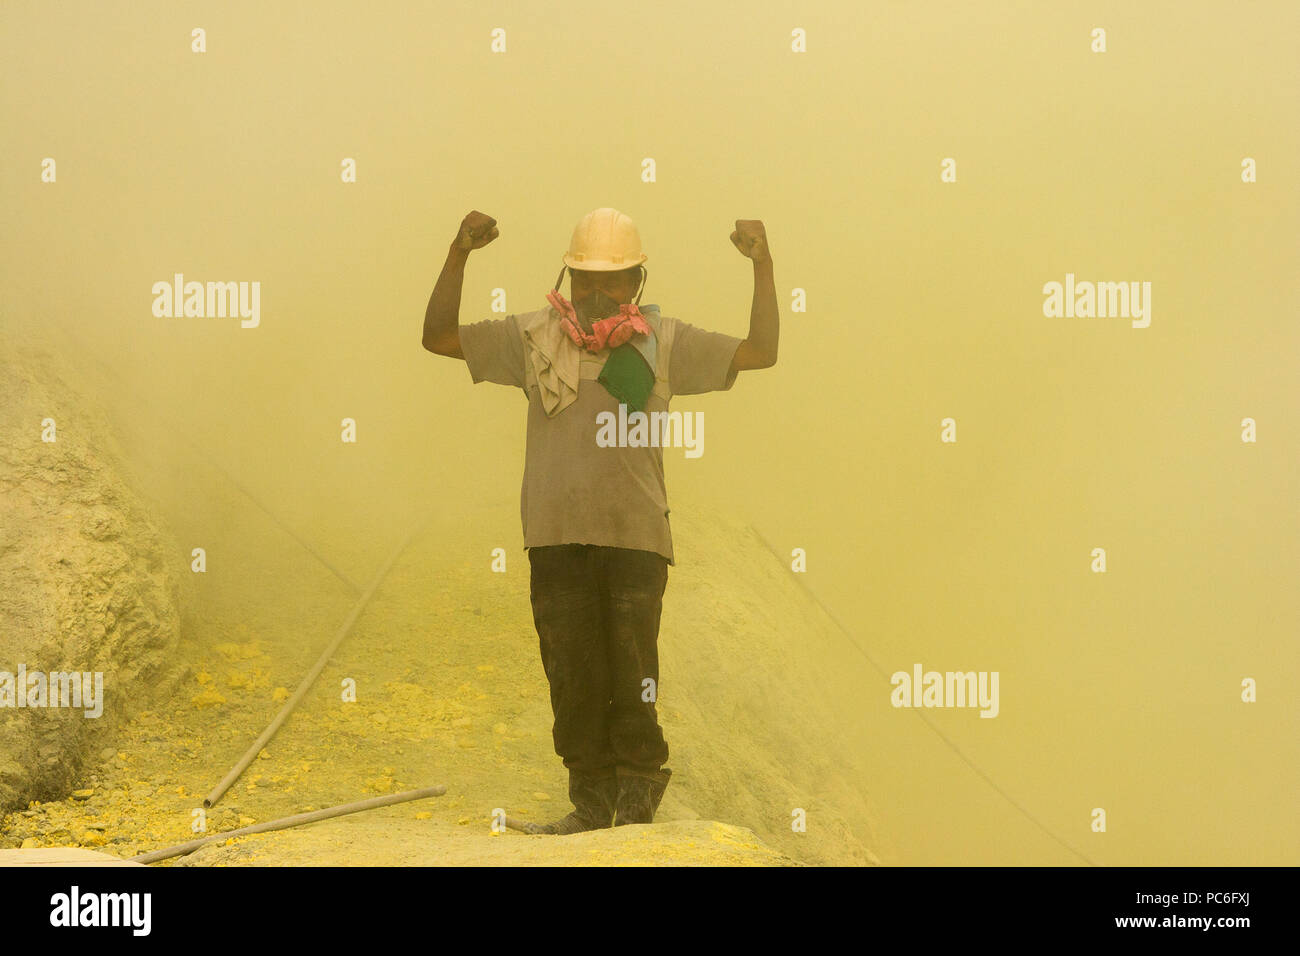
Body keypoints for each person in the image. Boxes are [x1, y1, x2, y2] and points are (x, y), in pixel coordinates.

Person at [421, 207, 778, 833]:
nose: (594, 294)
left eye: (611, 281)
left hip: (636, 537)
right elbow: (439, 338)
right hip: (555, 536)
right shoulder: (532, 338)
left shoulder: (665, 343)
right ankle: (589, 803)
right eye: (583, 279)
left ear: (637, 281)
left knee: (634, 671)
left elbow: (762, 353)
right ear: (567, 275)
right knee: (572, 674)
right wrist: (459, 252)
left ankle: (637, 801)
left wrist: (763, 264)